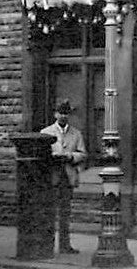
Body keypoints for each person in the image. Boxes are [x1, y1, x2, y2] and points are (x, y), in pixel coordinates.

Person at [40, 99, 87, 255]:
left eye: (66, 113)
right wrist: (53, 156)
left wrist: (70, 156)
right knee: (50, 211)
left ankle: (65, 246)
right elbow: (41, 155)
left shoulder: (76, 133)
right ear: (55, 114)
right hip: (52, 176)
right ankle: (48, 245)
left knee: (65, 213)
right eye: (60, 113)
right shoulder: (46, 133)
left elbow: (82, 153)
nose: (63, 116)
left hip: (67, 176)